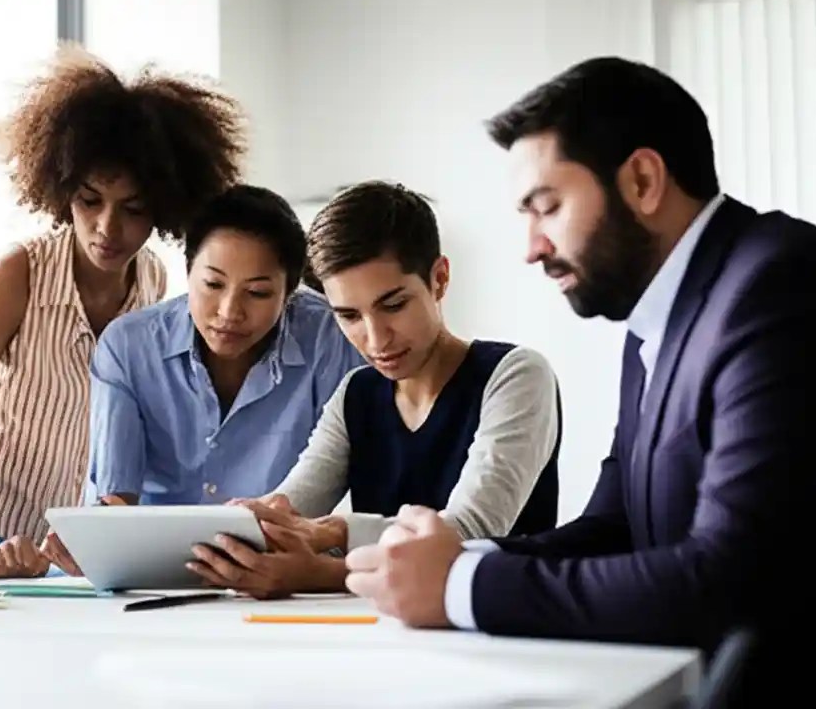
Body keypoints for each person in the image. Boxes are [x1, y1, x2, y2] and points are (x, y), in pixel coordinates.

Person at [342, 57, 816, 699]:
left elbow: (731, 578)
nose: (531, 247)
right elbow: (617, 525)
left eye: (546, 208)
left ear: (643, 180)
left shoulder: (785, 287)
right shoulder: (654, 323)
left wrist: (461, 589)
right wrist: (459, 561)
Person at [0, 45, 247, 576]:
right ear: (62, 188)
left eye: (133, 209)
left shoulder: (153, 278)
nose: (108, 228)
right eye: (90, 201)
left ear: (163, 208)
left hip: (69, 535)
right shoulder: (18, 274)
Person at [184, 180, 562, 599]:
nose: (376, 339)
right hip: (380, 630)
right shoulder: (356, 393)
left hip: (501, 626)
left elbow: (467, 531)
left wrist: (327, 547)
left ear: (439, 279)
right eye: (348, 315)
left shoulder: (515, 376)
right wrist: (252, 521)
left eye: (393, 305)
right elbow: (290, 509)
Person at [20, 184, 365, 576]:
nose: (229, 312)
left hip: (283, 572)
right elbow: (116, 496)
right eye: (213, 285)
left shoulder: (332, 338)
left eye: (257, 293)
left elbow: (350, 481)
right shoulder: (129, 348)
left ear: (290, 293)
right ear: (188, 272)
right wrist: (91, 539)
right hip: (155, 570)